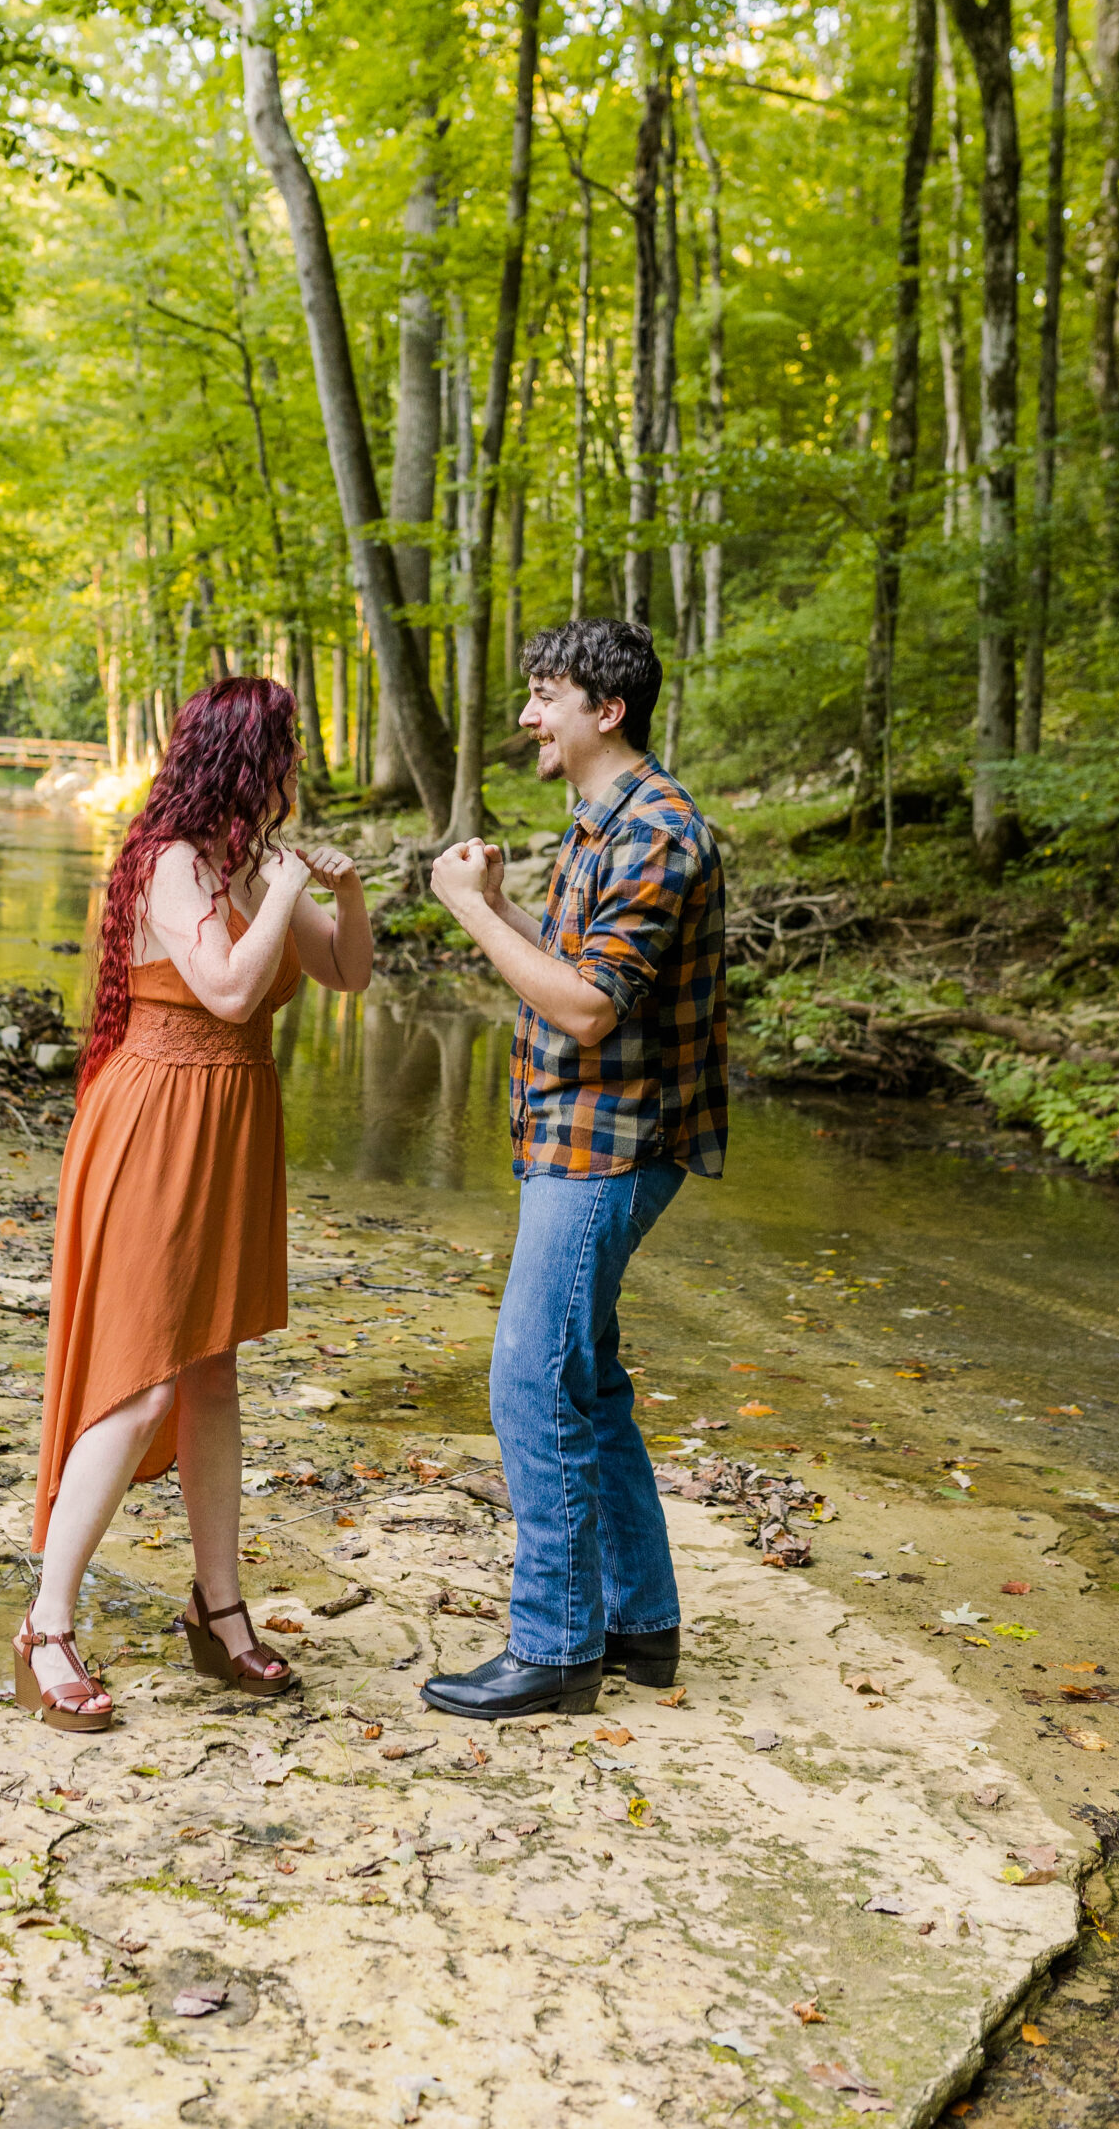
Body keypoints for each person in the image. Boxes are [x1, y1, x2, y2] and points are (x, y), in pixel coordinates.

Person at [18, 676, 371, 1730]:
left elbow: (344, 972)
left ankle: (217, 1608)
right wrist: (276, 894)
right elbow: (221, 987)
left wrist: (341, 895)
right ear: (245, 760)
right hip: (155, 1120)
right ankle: (47, 1620)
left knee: (211, 1369)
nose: (292, 773)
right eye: (284, 753)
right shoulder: (171, 861)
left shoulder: (256, 863)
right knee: (139, 1384)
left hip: (232, 1127)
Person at [421, 618, 727, 1719]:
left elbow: (590, 1009)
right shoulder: (603, 823)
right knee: (587, 1381)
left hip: (612, 1145)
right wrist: (500, 907)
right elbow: (568, 974)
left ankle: (554, 1647)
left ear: (609, 711)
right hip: (572, 1138)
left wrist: (465, 910)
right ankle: (640, 1626)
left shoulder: (658, 830)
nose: (526, 716)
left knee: (527, 1377)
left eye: (544, 694)